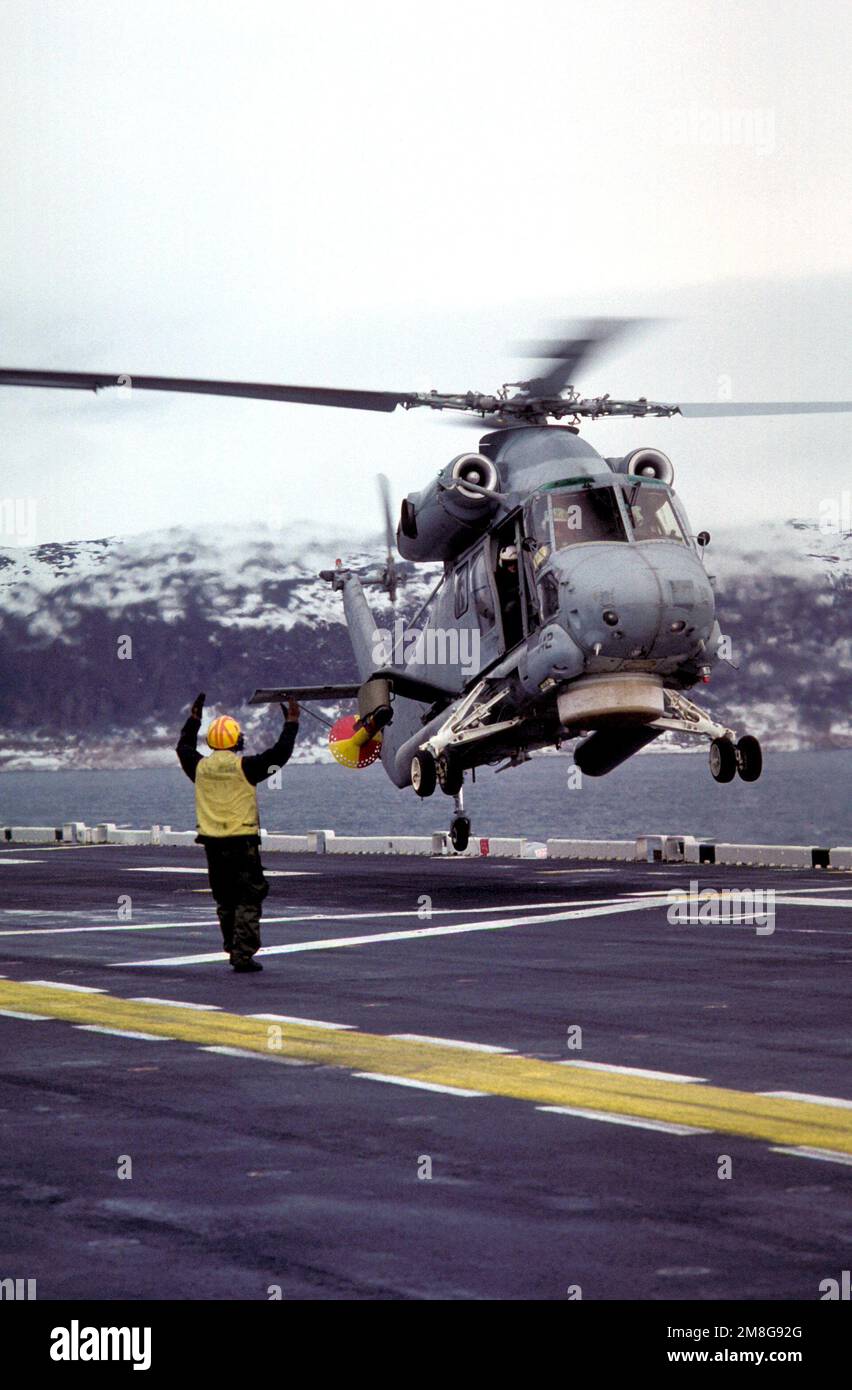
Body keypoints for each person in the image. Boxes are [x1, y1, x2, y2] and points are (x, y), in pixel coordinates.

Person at [176, 692, 300, 973]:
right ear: (236, 740)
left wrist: (192, 721)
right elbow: (279, 755)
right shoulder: (246, 767)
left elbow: (183, 748)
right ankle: (242, 954)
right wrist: (291, 723)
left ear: (210, 741)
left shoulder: (199, 767)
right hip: (242, 844)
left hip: (212, 845)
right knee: (249, 896)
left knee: (225, 898)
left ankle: (232, 946)